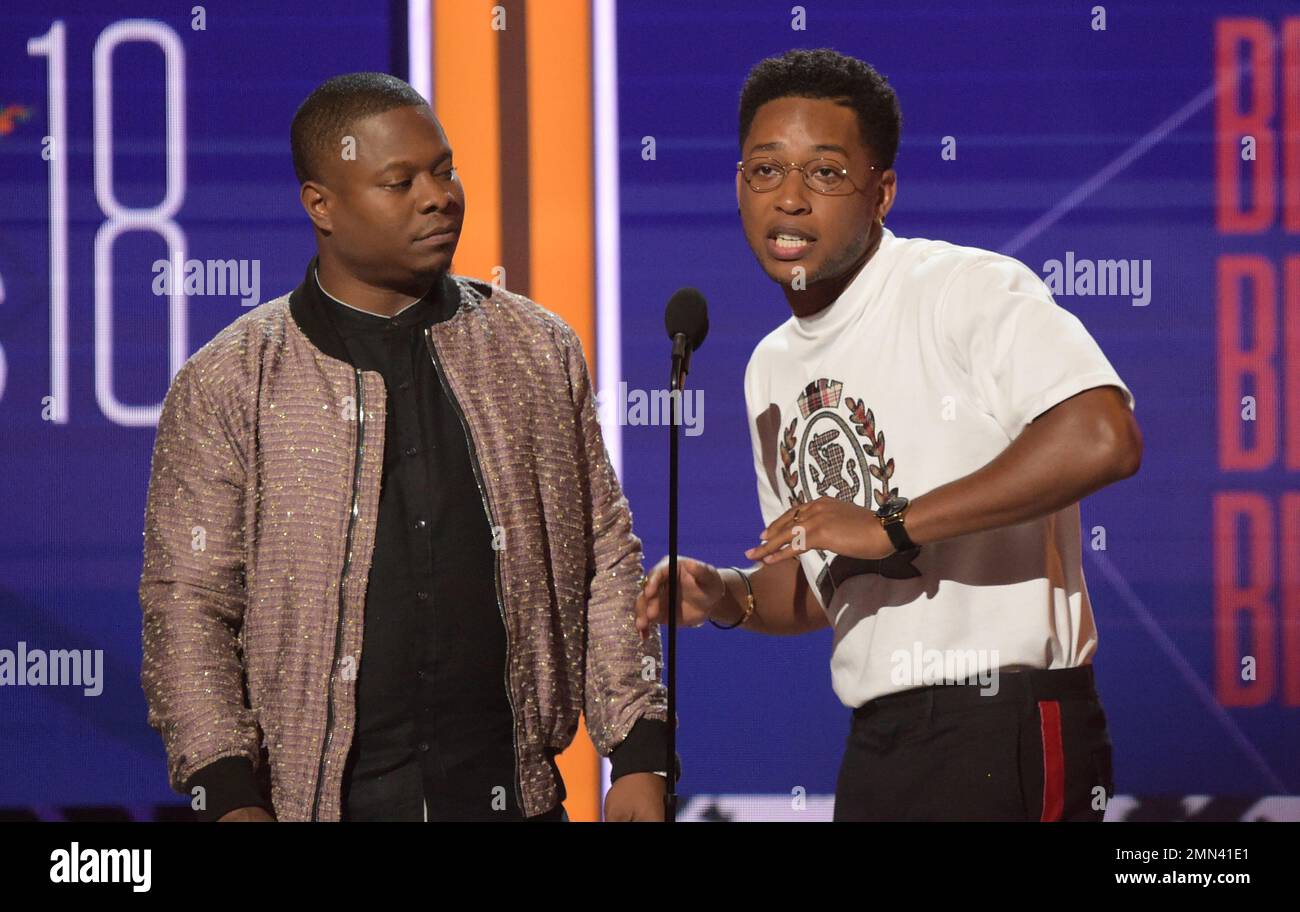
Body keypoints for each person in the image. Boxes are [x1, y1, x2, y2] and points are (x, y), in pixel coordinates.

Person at [140, 72, 671, 822]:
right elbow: (187, 607)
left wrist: (639, 752)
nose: (439, 196)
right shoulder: (231, 381)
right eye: (401, 181)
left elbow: (606, 560)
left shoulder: (536, 349)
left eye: (445, 169)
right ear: (320, 205)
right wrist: (227, 794)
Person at [635, 49, 1141, 822]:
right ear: (740, 187)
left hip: (1004, 720)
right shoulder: (769, 368)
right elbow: (814, 590)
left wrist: (890, 524)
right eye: (767, 171)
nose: (792, 200)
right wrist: (729, 596)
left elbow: (1104, 436)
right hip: (879, 738)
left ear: (882, 191)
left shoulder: (962, 289)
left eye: (826, 173)